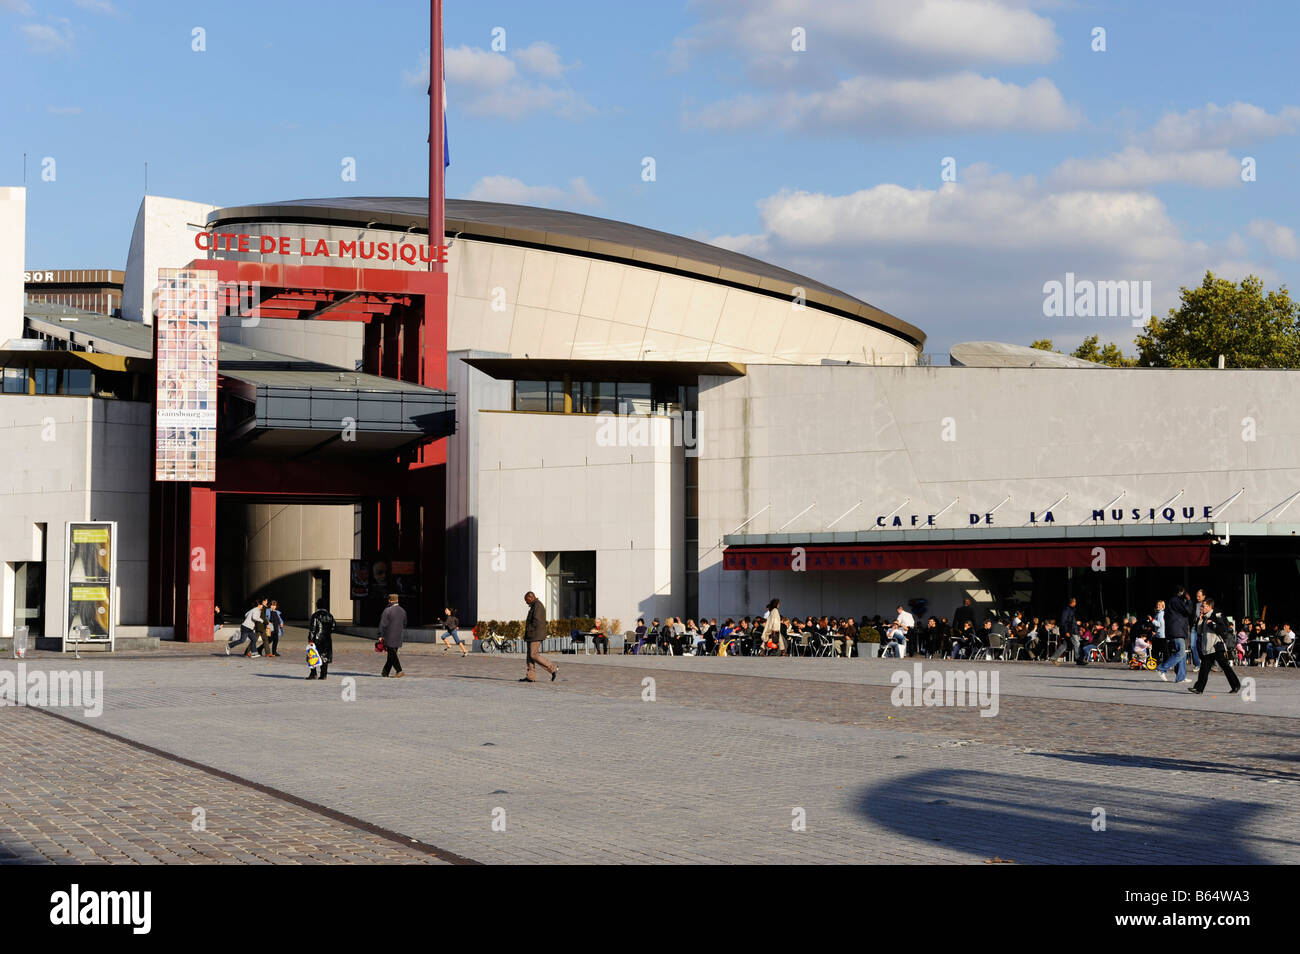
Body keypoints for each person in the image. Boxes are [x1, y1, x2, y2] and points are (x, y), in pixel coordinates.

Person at [1189, 597, 1241, 694]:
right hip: (1207, 648)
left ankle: (1236, 685)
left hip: (1217, 646)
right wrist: (1200, 621)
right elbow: (1199, 632)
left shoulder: (1217, 615)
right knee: (1204, 669)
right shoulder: (1204, 617)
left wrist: (1212, 624)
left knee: (1225, 667)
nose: (1201, 609)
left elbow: (1223, 630)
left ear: (1209, 607)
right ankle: (1199, 688)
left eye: (1203, 607)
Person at [521, 591, 557, 682]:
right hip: (532, 634)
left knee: (533, 654)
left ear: (531, 597)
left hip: (535, 635)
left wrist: (529, 630)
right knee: (529, 656)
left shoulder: (537, 605)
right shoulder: (534, 605)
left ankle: (553, 668)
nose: (526, 602)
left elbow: (537, 621)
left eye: (526, 600)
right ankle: (530, 676)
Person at [379, 593, 406, 678]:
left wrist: (380, 635)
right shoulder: (403, 610)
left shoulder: (387, 610)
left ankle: (399, 670)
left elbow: (383, 624)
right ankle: (385, 672)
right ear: (397, 600)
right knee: (392, 654)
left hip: (389, 636)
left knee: (392, 654)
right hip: (399, 635)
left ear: (389, 600)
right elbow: (405, 623)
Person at [307, 599, 334, 680]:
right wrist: (327, 632)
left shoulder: (315, 615)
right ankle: (323, 674)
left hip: (316, 639)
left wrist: (310, 639)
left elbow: (313, 628)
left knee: (312, 655)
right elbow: (334, 626)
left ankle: (313, 673)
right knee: (325, 656)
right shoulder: (330, 615)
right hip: (327, 639)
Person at [1051, 597, 1080, 664]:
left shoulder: (1072, 610)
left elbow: (1071, 620)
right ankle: (1078, 659)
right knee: (1077, 643)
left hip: (1072, 629)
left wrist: (1076, 623)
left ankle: (1054, 657)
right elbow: (1063, 621)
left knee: (1065, 645)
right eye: (1075, 602)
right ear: (1072, 602)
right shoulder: (1067, 610)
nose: (1075, 603)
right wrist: (1066, 631)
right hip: (1070, 630)